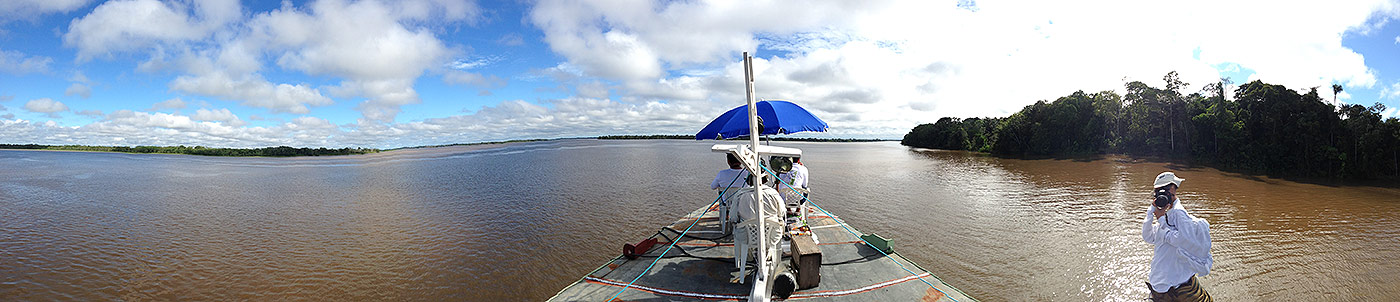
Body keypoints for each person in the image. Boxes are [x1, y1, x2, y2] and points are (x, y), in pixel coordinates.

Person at [1142, 172, 1213, 301]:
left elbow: (1182, 240)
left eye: (1168, 191)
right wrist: (1151, 212)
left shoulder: (1179, 214)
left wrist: (1162, 220)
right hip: (1164, 284)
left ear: (1172, 190)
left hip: (1174, 285)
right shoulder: (1167, 216)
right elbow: (1148, 237)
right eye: (1159, 193)